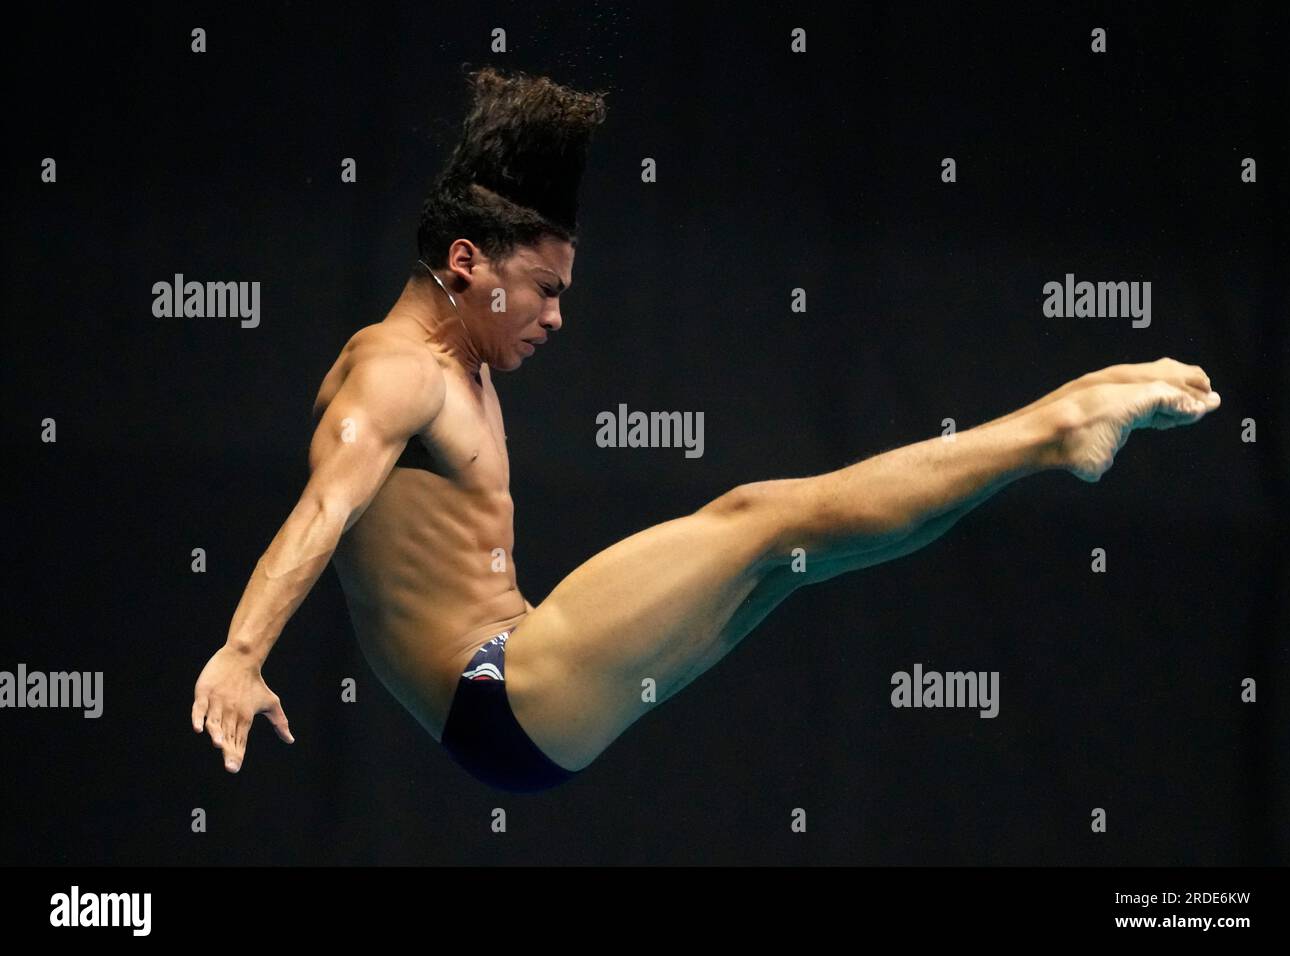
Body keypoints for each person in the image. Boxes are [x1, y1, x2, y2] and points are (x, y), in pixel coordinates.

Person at [190, 65, 1221, 792]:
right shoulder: (393, 369)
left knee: (798, 551)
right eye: (542, 290)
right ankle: (1056, 424)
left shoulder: (454, 356)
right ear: (465, 265)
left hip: (515, 694)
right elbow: (325, 504)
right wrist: (241, 650)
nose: (557, 317)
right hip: (501, 691)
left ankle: (1054, 432)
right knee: (759, 516)